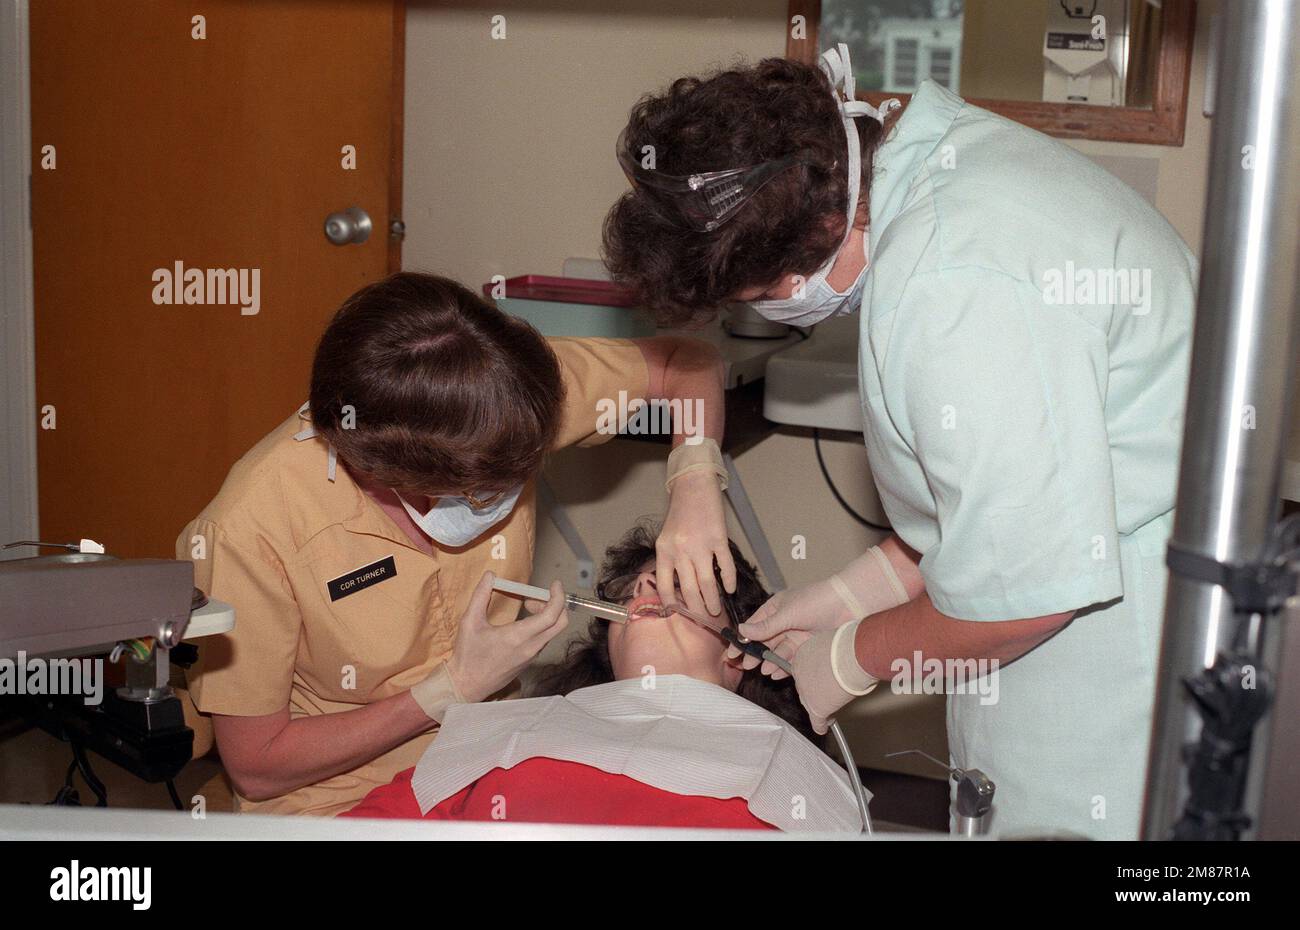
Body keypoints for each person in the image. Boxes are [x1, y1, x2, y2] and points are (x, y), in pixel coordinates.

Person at [602, 47, 1196, 838]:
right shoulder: (935, 169)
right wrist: (854, 594)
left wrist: (856, 655)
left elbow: (1028, 590)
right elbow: (1004, 504)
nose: (773, 311)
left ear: (816, 228)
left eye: (759, 298)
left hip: (1114, 678)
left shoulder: (954, 286)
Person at [178, 272, 735, 815]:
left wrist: (695, 481)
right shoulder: (248, 533)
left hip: (496, 760)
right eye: (485, 487)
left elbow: (685, 364)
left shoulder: (506, 393)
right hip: (339, 801)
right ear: (388, 470)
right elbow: (256, 764)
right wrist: (447, 692)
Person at [341, 527, 862, 832]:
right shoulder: (505, 730)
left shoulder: (786, 769)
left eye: (682, 583)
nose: (647, 588)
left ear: (742, 650)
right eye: (638, 585)